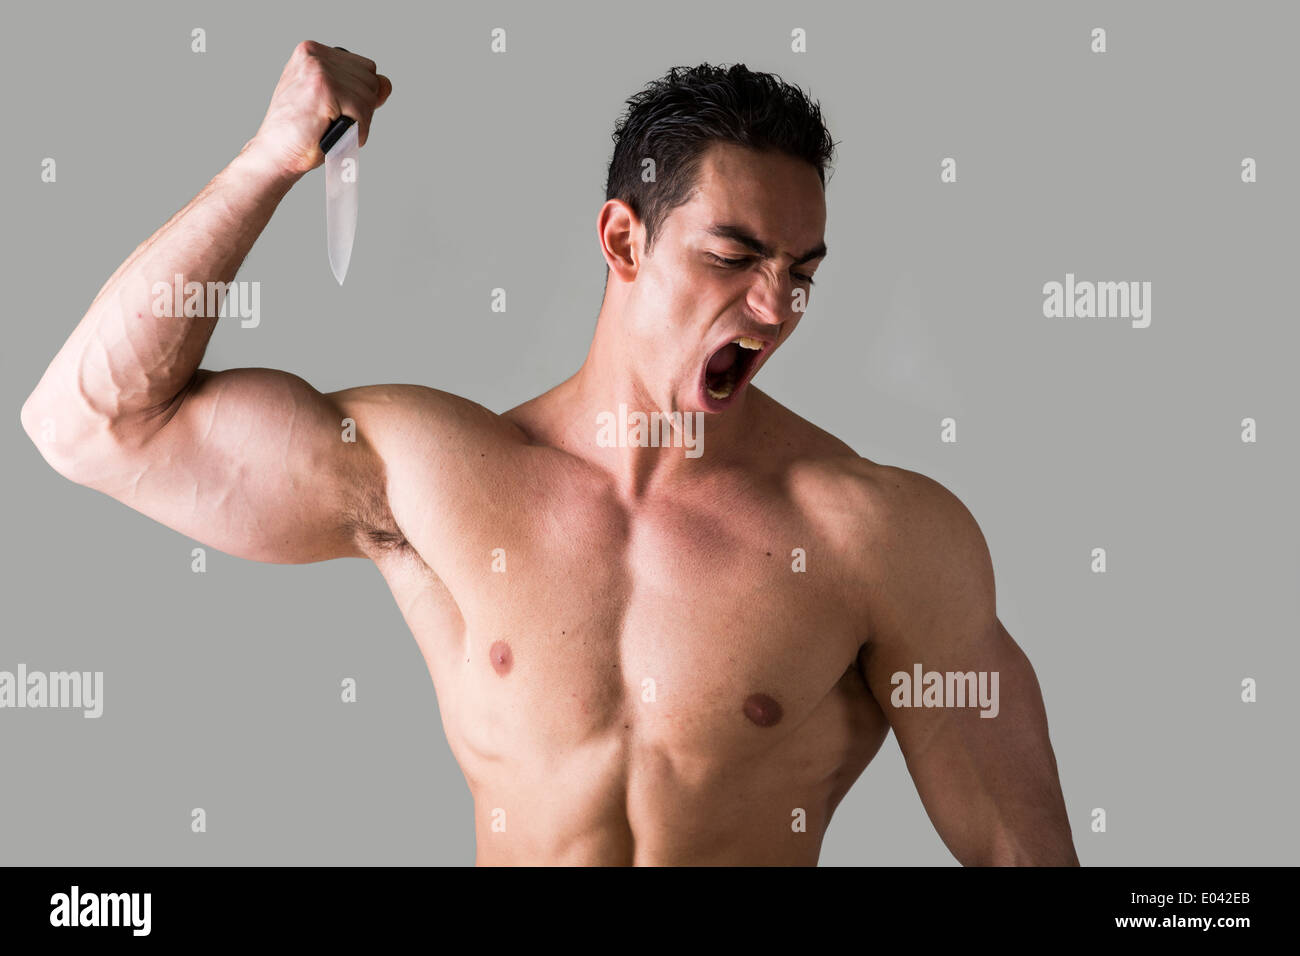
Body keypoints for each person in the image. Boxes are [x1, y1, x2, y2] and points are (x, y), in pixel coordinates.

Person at [21, 41, 1078, 865]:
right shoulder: (436, 475)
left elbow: (1019, 853)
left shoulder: (876, 532)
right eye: (736, 255)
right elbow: (92, 424)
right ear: (623, 240)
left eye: (802, 268)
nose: (776, 305)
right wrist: (269, 160)